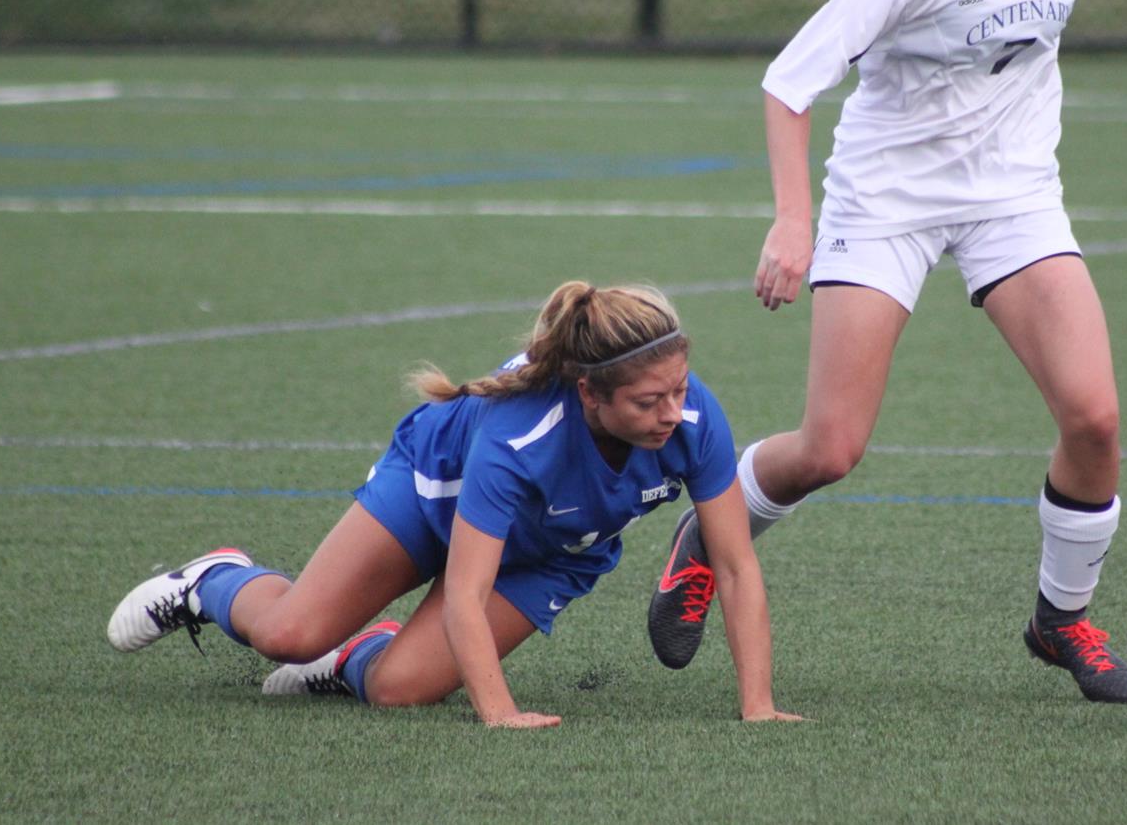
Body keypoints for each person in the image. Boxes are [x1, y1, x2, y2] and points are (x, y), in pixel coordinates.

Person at [647, 0, 1127, 705]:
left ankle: (1063, 619)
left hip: (1012, 195)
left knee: (1093, 418)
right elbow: (787, 83)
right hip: (886, 198)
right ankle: (703, 537)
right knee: (830, 447)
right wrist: (794, 221)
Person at [107, 281, 802, 727]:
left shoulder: (693, 416)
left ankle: (361, 652)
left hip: (551, 553)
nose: (673, 412)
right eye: (651, 402)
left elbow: (735, 566)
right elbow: (466, 590)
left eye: (680, 389)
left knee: (398, 690)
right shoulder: (519, 435)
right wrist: (499, 712)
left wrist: (759, 705)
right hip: (432, 499)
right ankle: (213, 579)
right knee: (289, 636)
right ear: (590, 393)